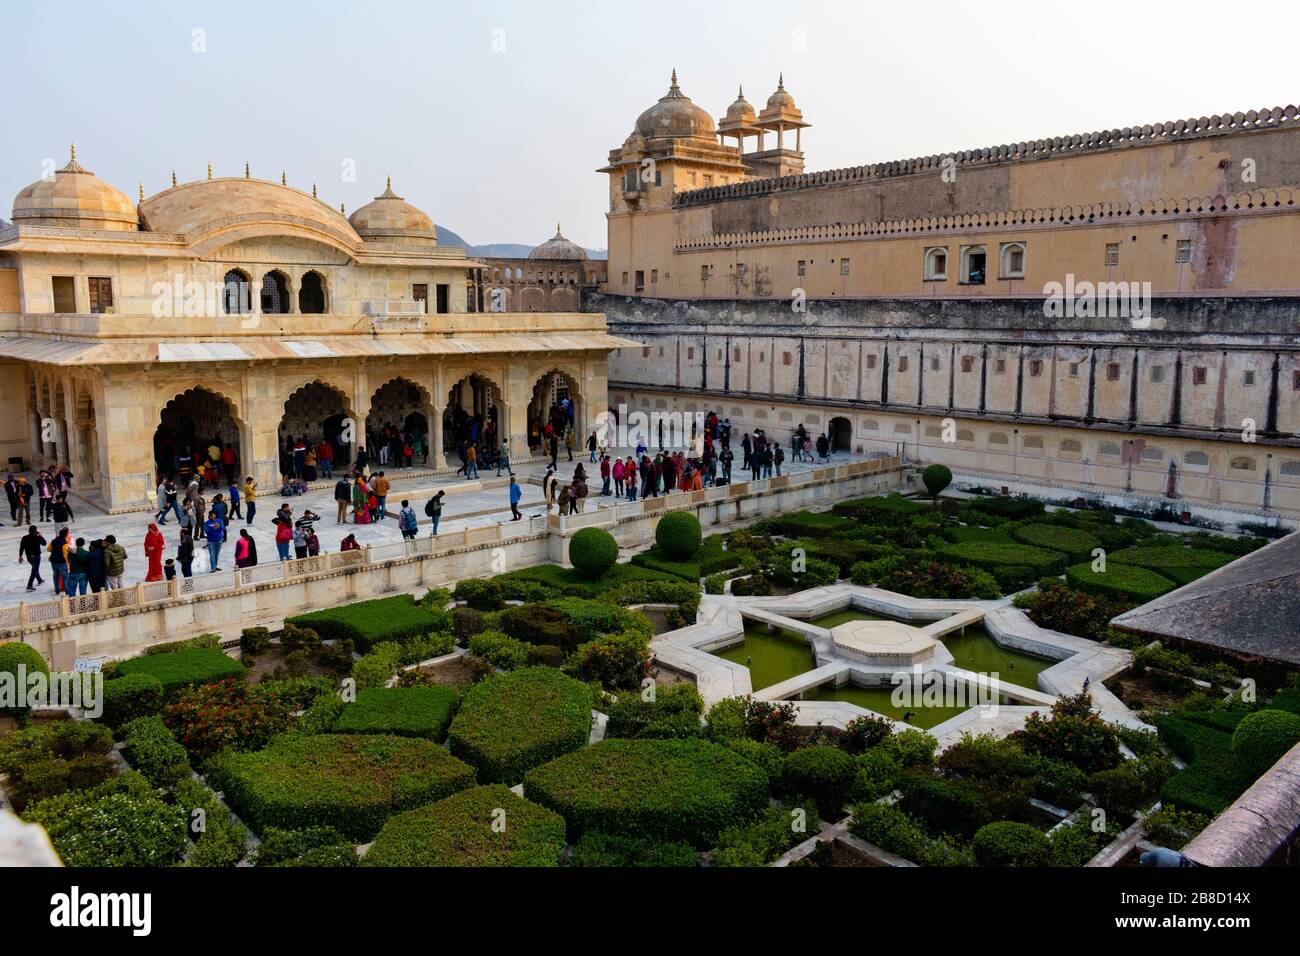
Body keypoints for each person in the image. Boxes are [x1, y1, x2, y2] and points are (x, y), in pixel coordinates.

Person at [19, 525, 46, 591]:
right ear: (35, 531)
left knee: (35, 568)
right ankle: (29, 585)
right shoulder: (38, 537)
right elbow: (44, 543)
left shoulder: (24, 538)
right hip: (36, 557)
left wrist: (20, 556)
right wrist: (41, 536)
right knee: (34, 570)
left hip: (29, 557)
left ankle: (39, 580)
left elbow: (21, 547)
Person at [48, 529, 69, 594]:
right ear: (66, 535)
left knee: (55, 575)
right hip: (61, 562)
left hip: (53, 561)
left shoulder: (53, 541)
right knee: (65, 576)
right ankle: (67, 591)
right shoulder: (64, 543)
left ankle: (57, 590)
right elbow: (65, 555)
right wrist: (68, 562)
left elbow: (48, 549)